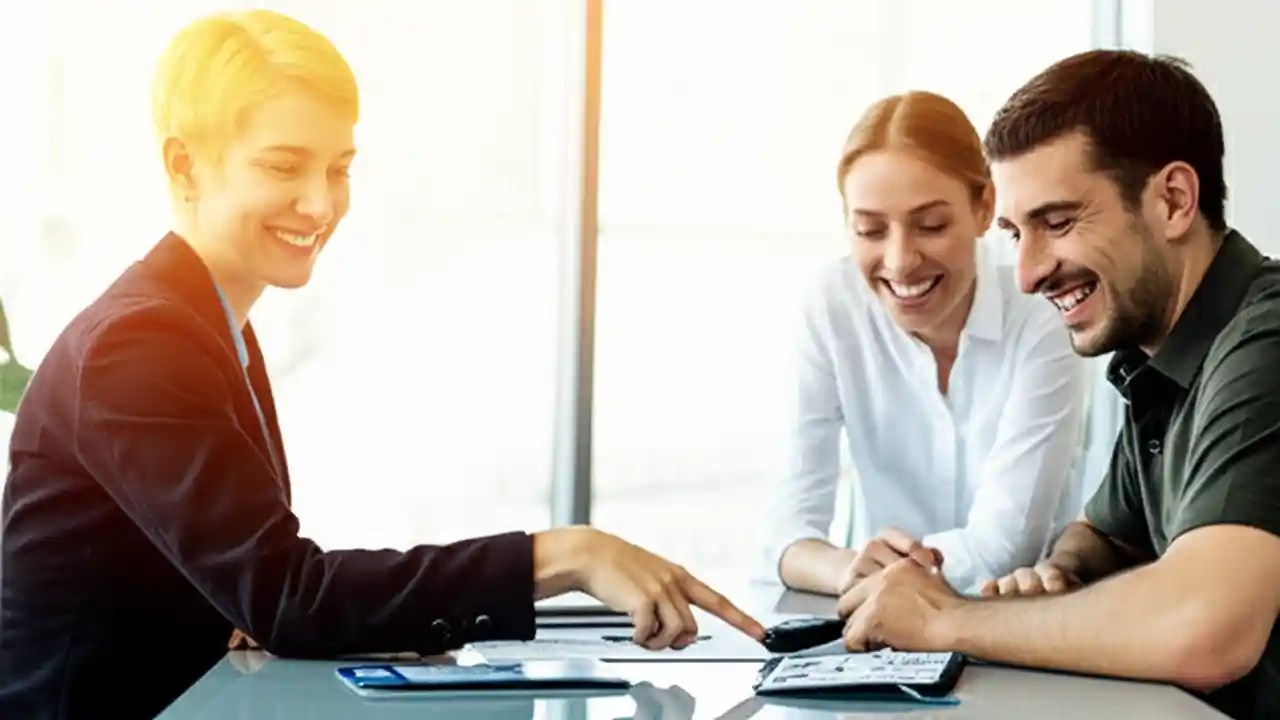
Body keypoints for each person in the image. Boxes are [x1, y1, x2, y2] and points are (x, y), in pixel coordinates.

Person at [0, 10, 763, 720]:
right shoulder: (142, 342)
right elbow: (287, 594)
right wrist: (565, 555)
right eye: (284, 167)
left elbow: (248, 585)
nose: (321, 204)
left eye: (338, 169)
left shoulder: (206, 323)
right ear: (185, 166)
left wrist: (246, 608)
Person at [835, 50, 1280, 720]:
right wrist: (1062, 572)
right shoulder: (1162, 360)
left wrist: (944, 620)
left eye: (1058, 222)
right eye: (1016, 233)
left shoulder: (1266, 343)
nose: (1027, 274)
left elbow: (1206, 628)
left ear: (1173, 201)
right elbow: (1105, 535)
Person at [763, 90, 1087, 597]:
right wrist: (849, 570)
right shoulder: (832, 306)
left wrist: (879, 574)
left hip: (1015, 614)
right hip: (877, 614)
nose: (900, 261)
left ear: (984, 207)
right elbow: (785, 535)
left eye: (931, 226)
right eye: (870, 230)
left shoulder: (1038, 310)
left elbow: (1005, 547)